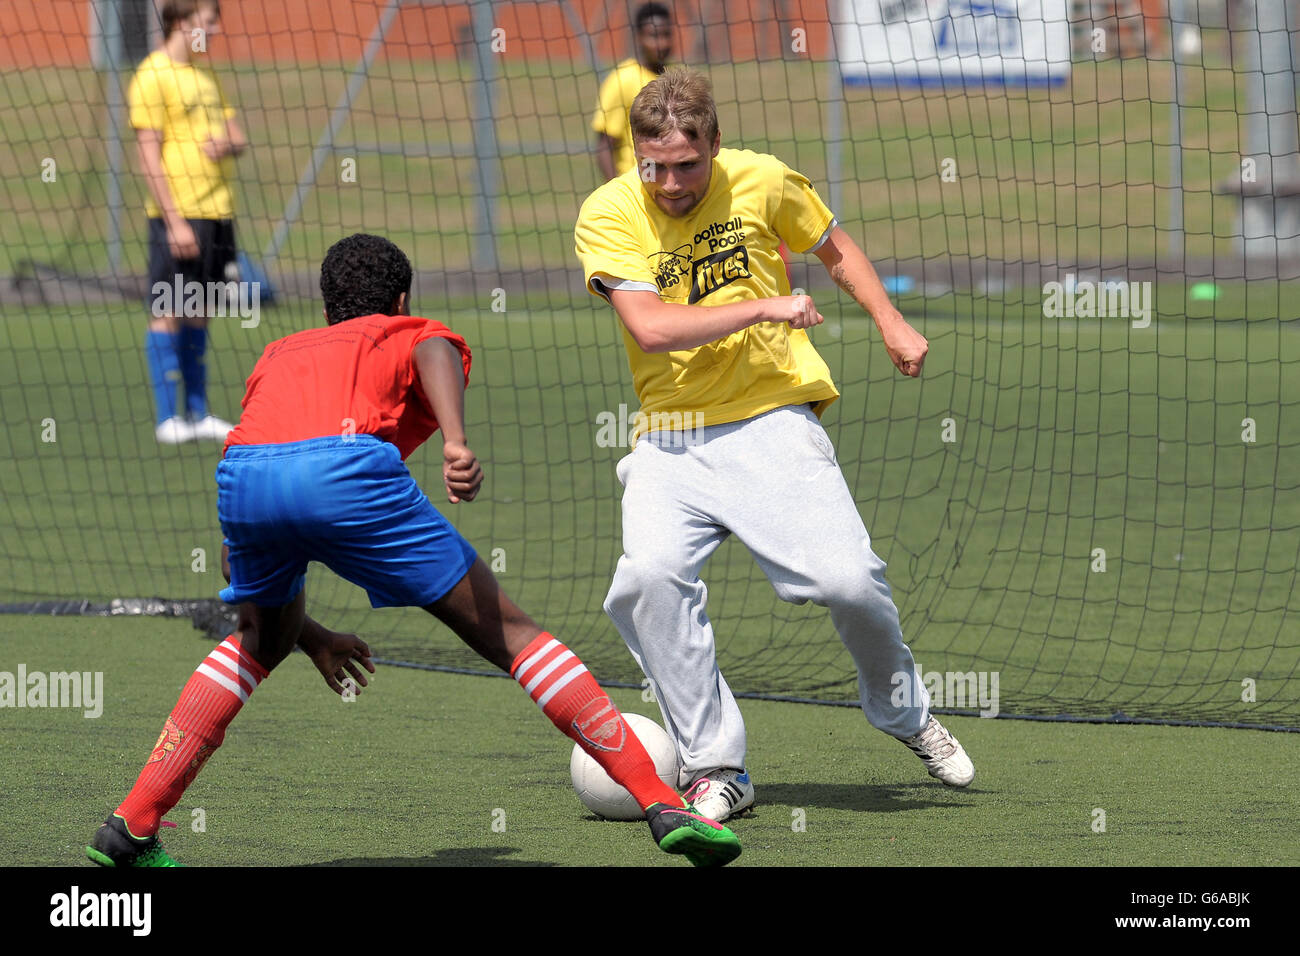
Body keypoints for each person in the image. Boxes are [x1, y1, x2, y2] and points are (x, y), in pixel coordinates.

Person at [86, 233, 741, 868]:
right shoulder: (405, 330)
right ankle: (661, 802)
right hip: (346, 473)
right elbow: (433, 346)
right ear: (400, 301)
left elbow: (240, 555)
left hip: (245, 479)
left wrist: (308, 637)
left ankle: (131, 825)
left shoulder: (281, 352)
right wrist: (456, 442)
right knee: (512, 635)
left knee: (257, 640)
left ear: (323, 309)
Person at [573, 68, 975, 823]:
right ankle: (717, 768)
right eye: (652, 165)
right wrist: (768, 304)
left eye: (686, 165)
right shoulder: (608, 211)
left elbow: (834, 246)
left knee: (849, 582)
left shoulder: (761, 179)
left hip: (771, 416)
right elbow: (651, 327)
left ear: (715, 146)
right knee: (648, 581)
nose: (668, 182)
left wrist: (891, 323)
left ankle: (907, 714)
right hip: (671, 434)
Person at [127, 0, 242, 444]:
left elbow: (239, 136)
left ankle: (195, 414)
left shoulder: (206, 76)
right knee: (168, 309)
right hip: (179, 213)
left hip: (217, 212)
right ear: (182, 22)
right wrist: (174, 221)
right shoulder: (153, 75)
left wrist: (226, 146)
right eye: (208, 23)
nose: (214, 32)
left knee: (200, 311)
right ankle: (166, 419)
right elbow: (147, 154)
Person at [592, 2, 674, 181]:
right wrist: (617, 193)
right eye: (654, 36)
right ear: (639, 37)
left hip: (669, 187)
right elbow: (605, 146)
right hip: (636, 185)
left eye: (666, 34)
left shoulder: (675, 78)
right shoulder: (623, 79)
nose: (662, 43)